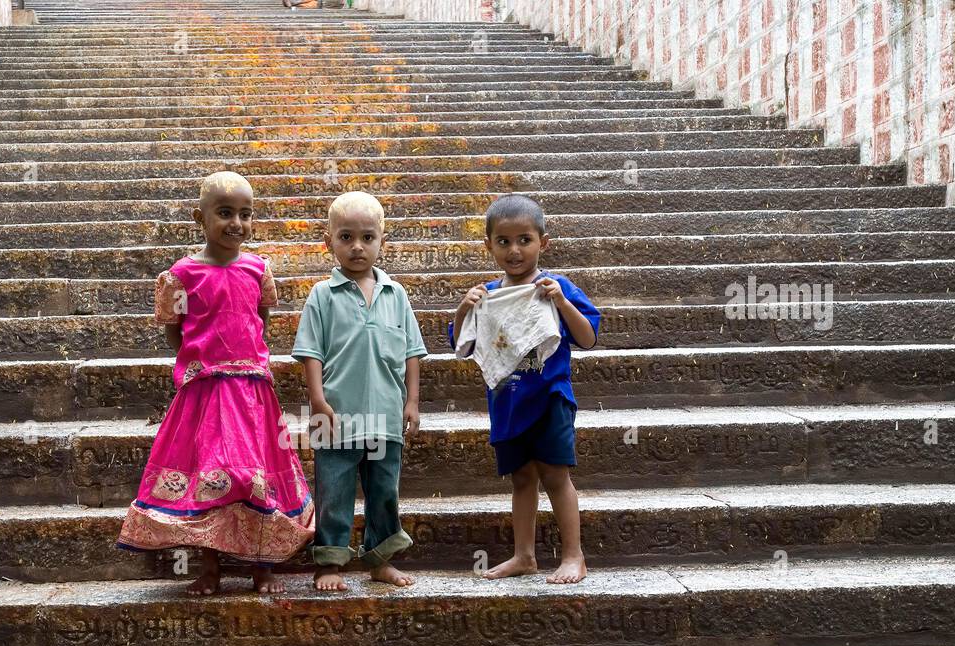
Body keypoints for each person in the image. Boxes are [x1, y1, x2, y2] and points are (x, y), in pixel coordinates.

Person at [117, 172, 314, 594]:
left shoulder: (258, 269)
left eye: (246, 214)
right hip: (205, 392)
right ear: (199, 218)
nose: (237, 224)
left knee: (256, 476)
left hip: (252, 392)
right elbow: (175, 331)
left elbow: (260, 321)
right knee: (212, 476)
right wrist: (202, 359)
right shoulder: (181, 275)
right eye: (225, 214)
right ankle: (210, 567)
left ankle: (262, 567)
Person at [452, 194, 601, 584]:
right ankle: (524, 556)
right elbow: (461, 347)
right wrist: (463, 309)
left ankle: (574, 556)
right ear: (488, 246)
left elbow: (587, 338)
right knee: (521, 479)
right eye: (503, 241)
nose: (514, 250)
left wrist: (562, 303)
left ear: (543, 243)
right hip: (508, 402)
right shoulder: (487, 295)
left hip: (551, 398)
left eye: (524, 240)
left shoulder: (557, 286)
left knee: (555, 476)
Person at [293, 191, 425, 592]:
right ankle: (330, 561)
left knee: (384, 489)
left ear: (382, 241)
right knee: (334, 490)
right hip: (336, 414)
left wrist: (412, 401)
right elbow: (311, 352)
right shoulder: (322, 295)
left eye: (367, 237)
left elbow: (412, 353)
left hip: (385, 413)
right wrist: (317, 400)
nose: (357, 246)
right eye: (345, 237)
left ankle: (380, 559)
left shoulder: (395, 294)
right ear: (328, 241)